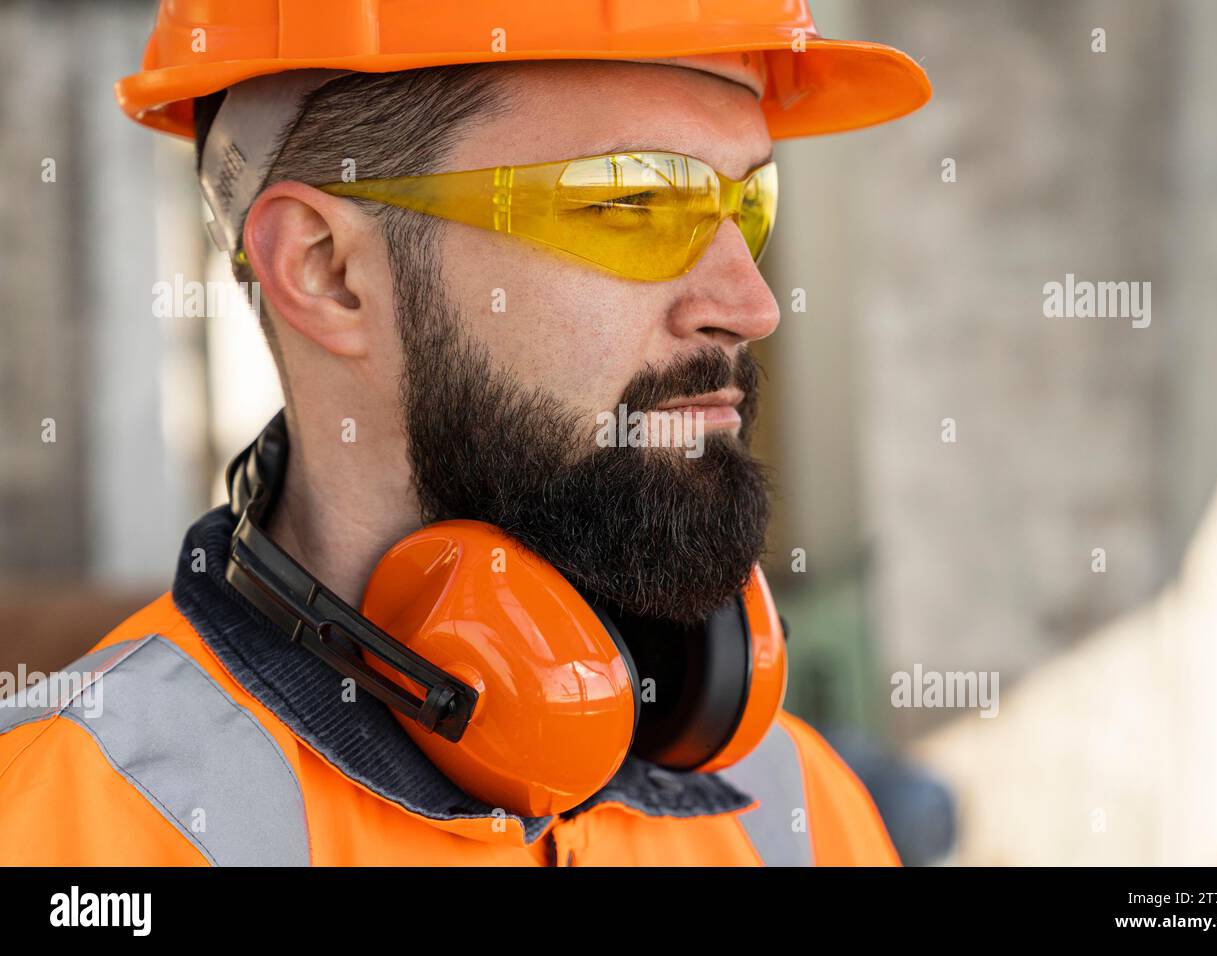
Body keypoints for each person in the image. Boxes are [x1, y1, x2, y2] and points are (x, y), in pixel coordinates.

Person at [0, 1, 929, 865]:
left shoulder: (794, 809)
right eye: (630, 203)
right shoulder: (63, 826)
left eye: (746, 207)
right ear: (328, 272)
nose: (752, 305)